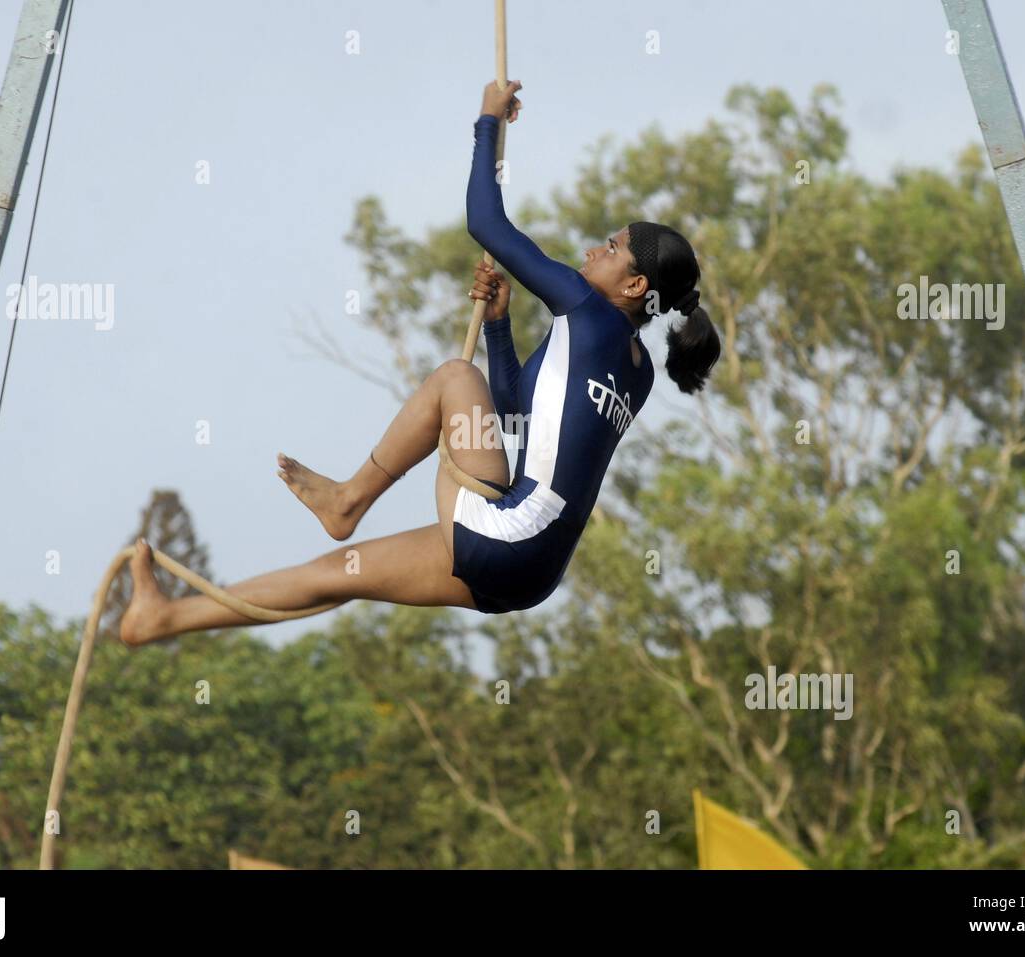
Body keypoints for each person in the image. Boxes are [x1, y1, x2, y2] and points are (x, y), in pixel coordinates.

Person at [120, 80, 720, 645]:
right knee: (340, 572)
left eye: (611, 248)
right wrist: (498, 325)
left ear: (636, 283)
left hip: (506, 534)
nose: (594, 249)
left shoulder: (586, 309)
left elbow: (485, 223)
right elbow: (511, 416)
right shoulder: (636, 373)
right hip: (531, 568)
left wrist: (487, 119)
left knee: (455, 377)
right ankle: (161, 619)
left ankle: (348, 500)